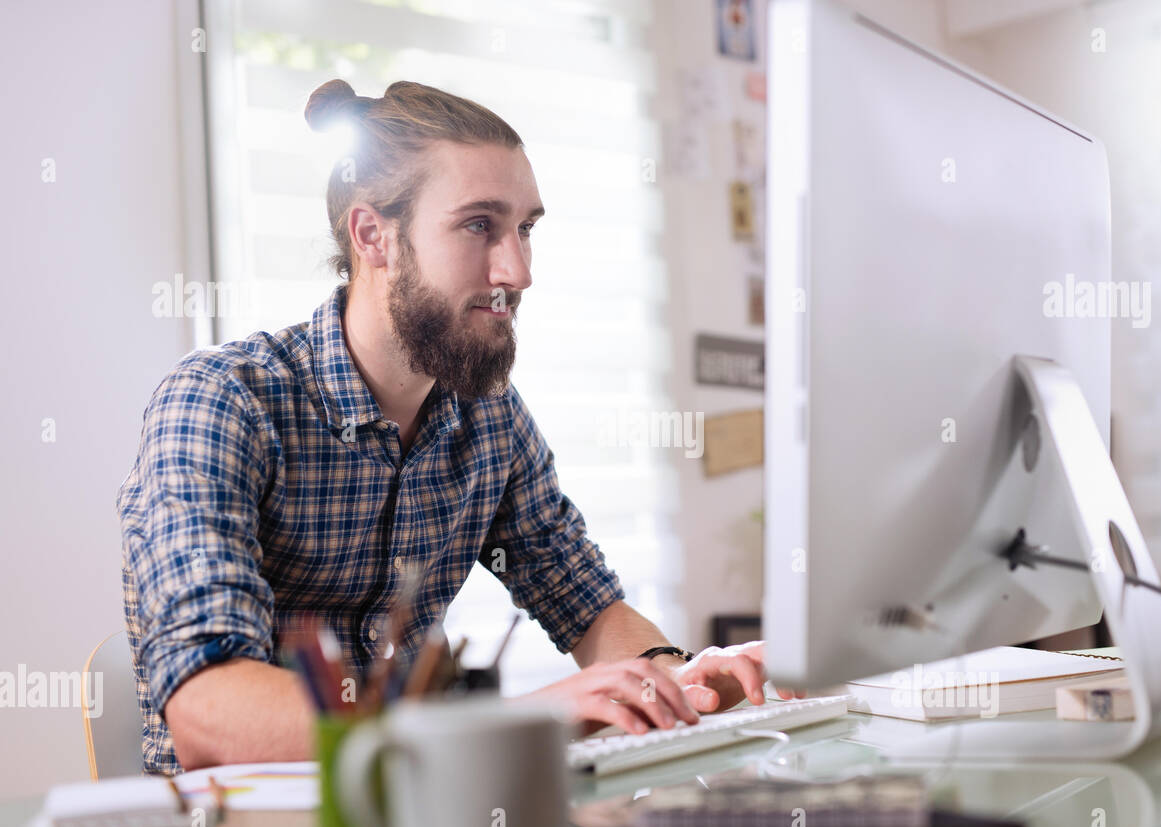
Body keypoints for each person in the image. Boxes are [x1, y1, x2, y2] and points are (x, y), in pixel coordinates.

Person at [117, 79, 794, 775]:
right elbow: (208, 710)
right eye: (479, 226)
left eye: (525, 229)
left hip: (420, 819)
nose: (519, 271)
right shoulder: (221, 404)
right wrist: (523, 717)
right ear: (372, 234)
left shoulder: (489, 417)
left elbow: (590, 608)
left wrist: (675, 679)